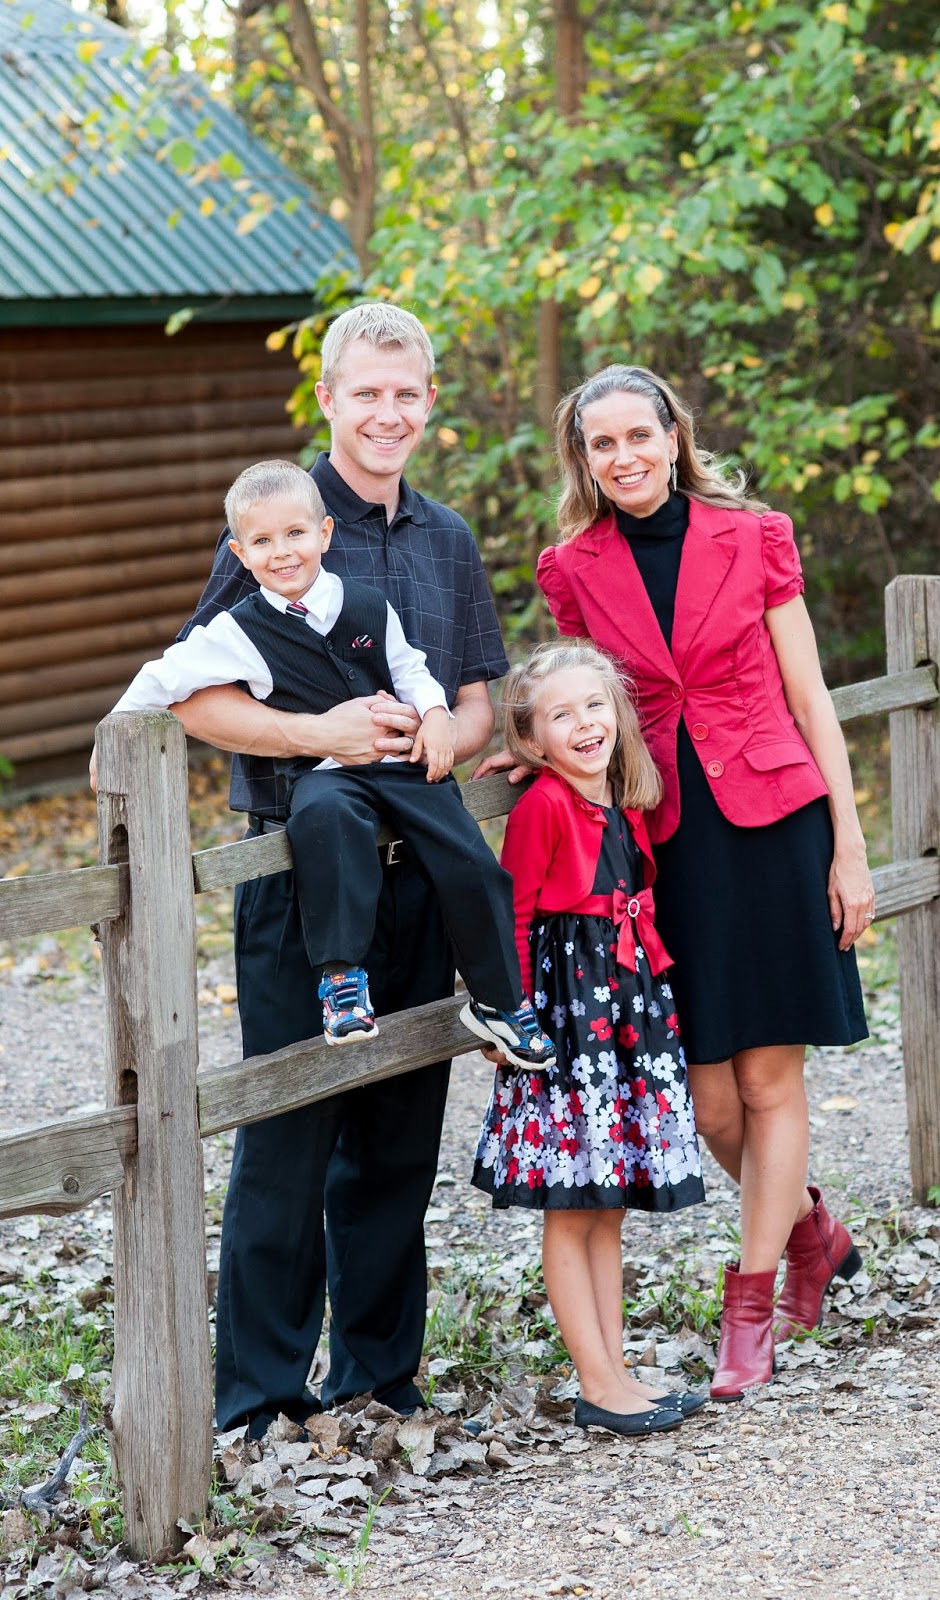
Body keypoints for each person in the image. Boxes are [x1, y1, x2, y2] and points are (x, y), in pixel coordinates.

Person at [114, 302, 510, 1438]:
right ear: (328, 399)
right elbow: (199, 698)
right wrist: (325, 734)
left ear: (428, 403)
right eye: (364, 393)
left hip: (419, 875)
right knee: (290, 1134)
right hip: (299, 869)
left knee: (396, 1135)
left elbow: (476, 688)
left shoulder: (442, 538)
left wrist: (452, 735)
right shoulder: (275, 521)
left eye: (406, 393)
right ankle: (261, 1396)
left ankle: (378, 1377)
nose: (385, 413)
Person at [476, 365, 872, 1401]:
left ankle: (752, 1304)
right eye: (599, 444)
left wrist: (849, 841)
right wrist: (530, 743)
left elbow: (809, 695)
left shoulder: (754, 536)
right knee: (707, 1099)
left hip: (775, 822)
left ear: (671, 434)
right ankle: (809, 1224)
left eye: (636, 435)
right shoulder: (570, 565)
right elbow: (572, 684)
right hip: (663, 844)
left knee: (770, 1081)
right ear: (584, 461)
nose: (622, 457)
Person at [107, 458, 553, 1066]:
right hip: (322, 775)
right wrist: (109, 750)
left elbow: (413, 671)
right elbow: (160, 678)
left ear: (324, 534)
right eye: (262, 541)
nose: (282, 552)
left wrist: (435, 715)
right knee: (323, 822)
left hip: (398, 764)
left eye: (294, 534)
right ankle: (342, 980)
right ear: (239, 552)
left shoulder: (368, 606)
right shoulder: (235, 632)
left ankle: (500, 1001)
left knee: (468, 854)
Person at [472, 643, 707, 1436]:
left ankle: (615, 1367)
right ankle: (594, 1381)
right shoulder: (543, 806)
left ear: (618, 714)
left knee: (607, 1204)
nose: (584, 725)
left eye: (594, 707)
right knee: (572, 1207)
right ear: (533, 741)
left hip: (625, 1014)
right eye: (561, 716)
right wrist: (514, 1017)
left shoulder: (625, 800)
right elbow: (514, 917)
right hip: (569, 1022)